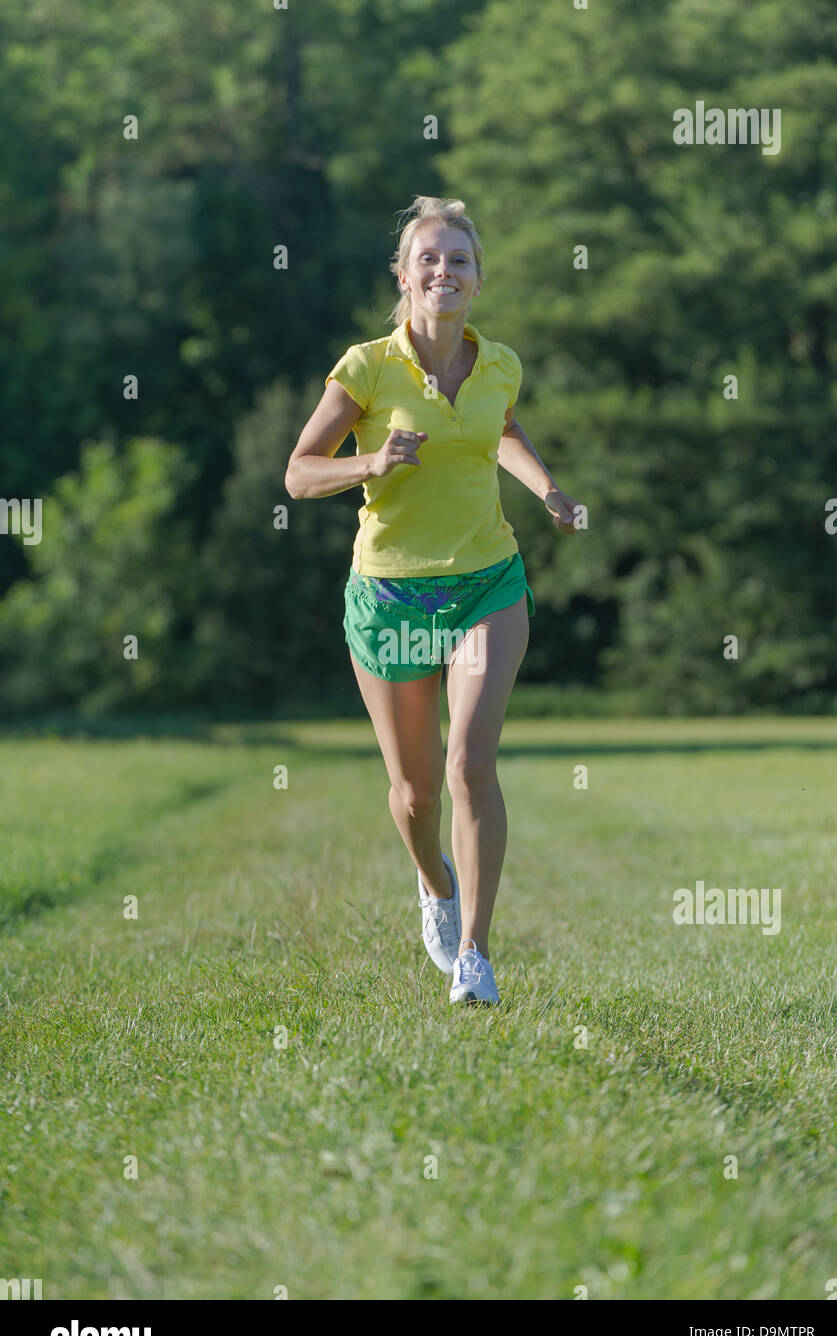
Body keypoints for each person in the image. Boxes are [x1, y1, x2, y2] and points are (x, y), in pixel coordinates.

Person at [286, 195, 581, 1004]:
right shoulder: (366, 367)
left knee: (468, 766)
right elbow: (299, 473)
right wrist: (369, 464)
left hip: (487, 583)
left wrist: (547, 489)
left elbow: (504, 432)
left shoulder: (499, 364)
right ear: (404, 277)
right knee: (414, 793)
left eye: (458, 259)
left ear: (478, 279)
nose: (443, 271)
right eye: (428, 258)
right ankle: (433, 886)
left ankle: (476, 957)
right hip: (390, 596)